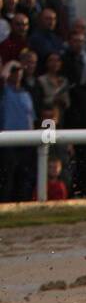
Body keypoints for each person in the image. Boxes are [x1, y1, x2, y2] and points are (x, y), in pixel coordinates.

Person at [1, 58, 36, 201]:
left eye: (19, 71)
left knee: (25, 179)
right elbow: (2, 78)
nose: (17, 74)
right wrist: (11, 64)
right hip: (8, 143)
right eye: (14, 72)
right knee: (7, 179)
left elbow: (32, 119)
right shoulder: (4, 92)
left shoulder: (26, 94)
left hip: (26, 144)